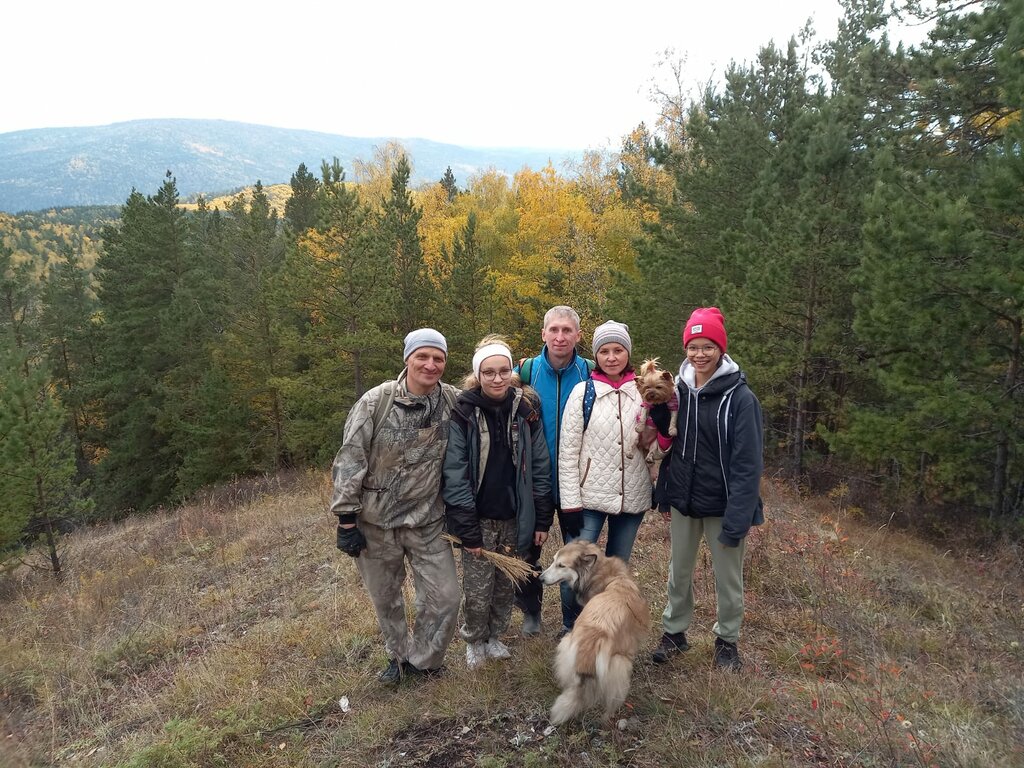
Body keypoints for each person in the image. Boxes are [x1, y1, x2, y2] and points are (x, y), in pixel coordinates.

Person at [330, 328, 461, 684]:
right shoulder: (376, 402)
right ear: (407, 358)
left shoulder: (453, 401)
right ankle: (398, 659)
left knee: (447, 597)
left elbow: (494, 393)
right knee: (386, 600)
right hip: (375, 523)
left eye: (438, 358)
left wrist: (522, 379)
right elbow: (350, 458)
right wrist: (346, 520)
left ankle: (424, 661)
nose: (430, 365)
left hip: (428, 521)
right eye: (423, 356)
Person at [650, 307, 764, 671]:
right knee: (677, 570)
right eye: (693, 346)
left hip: (724, 502)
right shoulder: (677, 391)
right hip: (684, 497)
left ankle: (727, 641)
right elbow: (671, 443)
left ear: (721, 349)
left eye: (707, 346)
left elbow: (748, 463)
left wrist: (740, 515)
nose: (699, 354)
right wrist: (666, 491)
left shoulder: (740, 398)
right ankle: (674, 633)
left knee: (727, 578)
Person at [442, 336, 555, 668]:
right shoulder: (464, 411)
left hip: (516, 516)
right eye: (488, 372)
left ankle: (495, 636)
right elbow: (456, 470)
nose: (497, 378)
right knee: (478, 588)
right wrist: (465, 526)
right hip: (479, 517)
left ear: (512, 372)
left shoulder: (524, 409)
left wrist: (542, 519)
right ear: (478, 375)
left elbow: (539, 465)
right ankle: (474, 639)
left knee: (507, 585)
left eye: (503, 371)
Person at [558, 321, 652, 629]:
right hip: (588, 498)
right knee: (575, 565)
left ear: (628, 352)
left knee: (616, 571)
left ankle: (604, 626)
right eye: (604, 351)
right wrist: (570, 503)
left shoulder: (644, 391)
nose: (611, 357)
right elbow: (568, 451)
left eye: (618, 350)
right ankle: (571, 626)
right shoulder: (582, 392)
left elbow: (658, 440)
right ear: (596, 355)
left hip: (632, 496)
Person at [513, 306, 593, 636]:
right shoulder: (527, 371)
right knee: (527, 549)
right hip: (534, 481)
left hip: (579, 482)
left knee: (575, 555)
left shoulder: (591, 370)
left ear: (578, 335)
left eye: (567, 331)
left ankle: (571, 621)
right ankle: (531, 611)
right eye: (554, 330)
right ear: (543, 334)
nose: (560, 337)